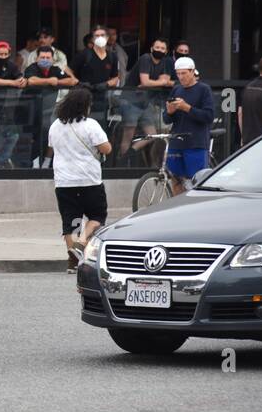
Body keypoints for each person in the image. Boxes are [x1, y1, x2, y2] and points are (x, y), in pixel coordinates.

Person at [48, 87, 112, 272]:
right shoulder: (90, 124)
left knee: (71, 221)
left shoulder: (55, 126)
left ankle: (73, 262)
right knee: (97, 216)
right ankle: (82, 243)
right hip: (88, 180)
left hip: (64, 181)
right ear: (85, 106)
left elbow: (52, 147)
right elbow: (106, 148)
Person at [163, 57, 215, 195]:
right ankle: (178, 209)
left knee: (197, 181)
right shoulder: (176, 90)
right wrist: (169, 112)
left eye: (184, 73)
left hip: (195, 143)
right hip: (176, 142)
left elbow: (208, 116)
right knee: (175, 179)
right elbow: (167, 119)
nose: (181, 77)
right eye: (178, 74)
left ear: (192, 72)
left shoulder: (204, 89)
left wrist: (187, 108)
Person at [119, 38, 175, 158]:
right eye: (157, 47)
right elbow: (145, 81)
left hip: (145, 103)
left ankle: (130, 152)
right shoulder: (145, 58)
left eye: (162, 48)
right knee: (128, 134)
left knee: (152, 134)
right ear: (151, 49)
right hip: (130, 101)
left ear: (166, 51)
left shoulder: (164, 62)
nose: (159, 50)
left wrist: (152, 83)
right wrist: (160, 82)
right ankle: (122, 160)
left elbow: (163, 81)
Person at [23, 45, 77, 166]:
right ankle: (34, 163)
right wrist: (49, 81)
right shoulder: (32, 68)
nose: (45, 60)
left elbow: (71, 81)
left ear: (52, 59)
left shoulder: (55, 70)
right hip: (30, 110)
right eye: (42, 57)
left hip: (48, 110)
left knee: (50, 134)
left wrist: (57, 81)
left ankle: (46, 162)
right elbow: (31, 80)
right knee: (34, 136)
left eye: (48, 57)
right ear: (37, 58)